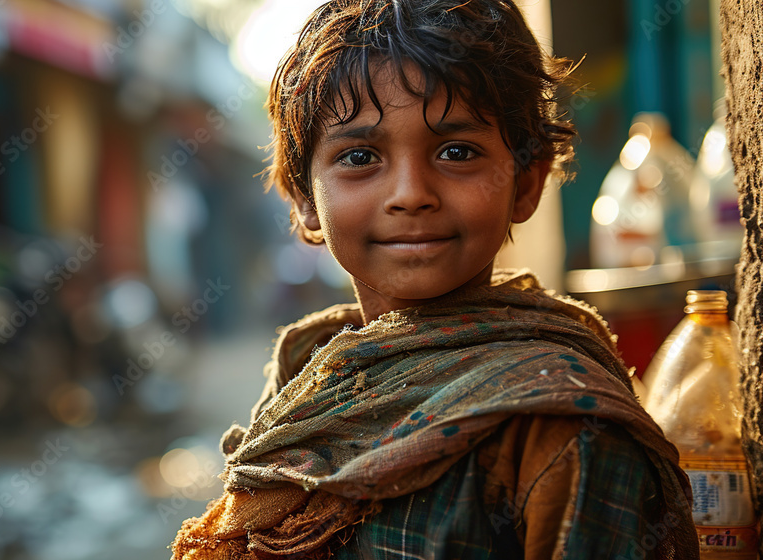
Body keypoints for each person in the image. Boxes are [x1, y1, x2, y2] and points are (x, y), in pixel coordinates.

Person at [171, 1, 699, 558]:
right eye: (359, 157)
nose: (411, 193)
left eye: (456, 151)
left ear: (526, 183)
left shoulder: (562, 428)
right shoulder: (309, 378)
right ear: (305, 198)